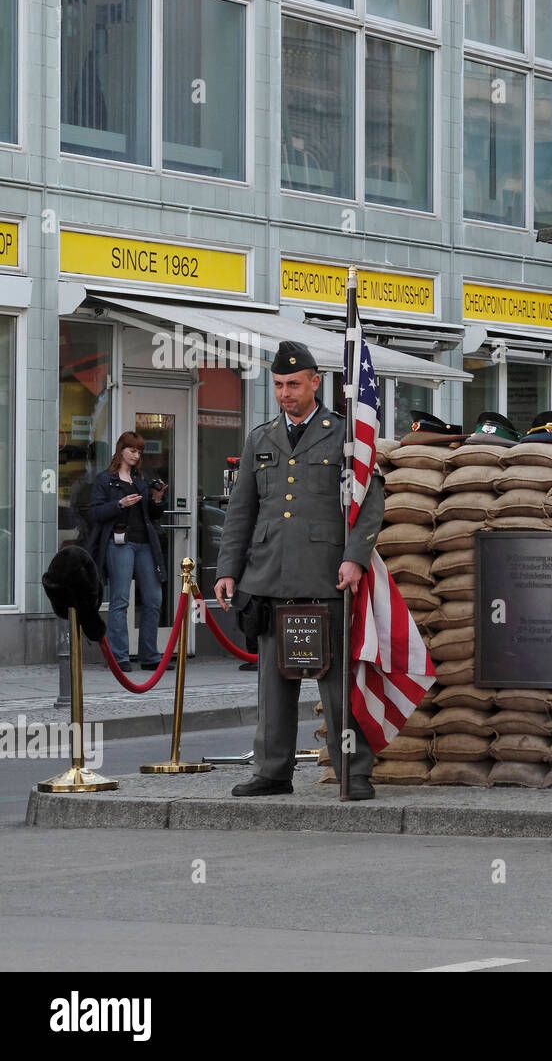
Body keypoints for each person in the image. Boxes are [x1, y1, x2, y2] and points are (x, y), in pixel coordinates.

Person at [214, 341, 385, 799]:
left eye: (293, 384)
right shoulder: (260, 437)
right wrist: (228, 568)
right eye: (277, 385)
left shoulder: (344, 436)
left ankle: (354, 770)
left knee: (334, 684)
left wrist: (354, 557)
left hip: (326, 573)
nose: (285, 393)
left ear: (315, 381)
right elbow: (241, 511)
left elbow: (369, 503)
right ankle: (272, 771)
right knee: (273, 682)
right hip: (269, 575)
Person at [87, 432, 169, 672]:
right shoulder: (106, 480)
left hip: (145, 543)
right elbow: (95, 513)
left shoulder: (140, 479)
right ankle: (119, 656)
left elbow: (153, 515)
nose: (136, 455)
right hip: (119, 542)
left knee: (154, 599)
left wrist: (156, 499)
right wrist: (119, 504)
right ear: (121, 450)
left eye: (140, 451)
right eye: (132, 450)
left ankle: (149, 655)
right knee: (120, 600)